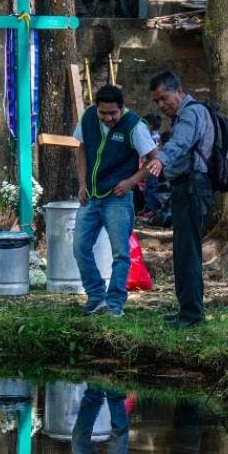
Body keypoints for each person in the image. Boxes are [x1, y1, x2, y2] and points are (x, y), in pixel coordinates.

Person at [72, 84, 158, 318]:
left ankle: (115, 303)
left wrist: (131, 182)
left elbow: (155, 160)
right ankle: (96, 296)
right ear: (96, 108)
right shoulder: (88, 117)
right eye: (103, 113)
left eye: (113, 113)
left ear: (122, 108)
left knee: (120, 253)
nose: (108, 118)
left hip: (118, 199)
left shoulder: (135, 126)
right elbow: (81, 148)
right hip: (91, 195)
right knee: (80, 247)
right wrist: (82, 184)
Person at [144, 71, 214, 329]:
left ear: (179, 91)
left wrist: (160, 159)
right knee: (183, 251)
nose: (162, 106)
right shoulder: (184, 115)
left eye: (165, 98)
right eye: (157, 102)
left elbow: (182, 143)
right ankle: (187, 308)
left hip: (193, 188)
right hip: (185, 188)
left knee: (188, 253)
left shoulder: (191, 113)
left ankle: (191, 314)